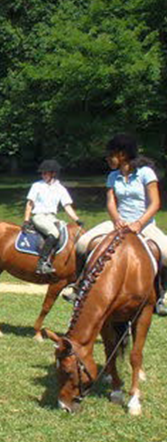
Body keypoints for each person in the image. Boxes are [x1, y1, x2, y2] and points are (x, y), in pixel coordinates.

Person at [66, 134, 167, 315]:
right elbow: (111, 202)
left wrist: (139, 223)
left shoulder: (146, 173)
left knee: (166, 252)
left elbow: (155, 203)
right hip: (118, 223)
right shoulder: (113, 176)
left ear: (122, 154)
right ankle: (78, 285)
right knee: (82, 243)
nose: (107, 159)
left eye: (110, 155)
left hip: (144, 224)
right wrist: (116, 219)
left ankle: (164, 295)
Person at [23, 159, 82, 275]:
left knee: (65, 230)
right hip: (39, 216)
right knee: (54, 233)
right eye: (42, 173)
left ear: (53, 174)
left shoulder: (60, 189)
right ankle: (42, 263)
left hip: (52, 217)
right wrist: (26, 220)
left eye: (45, 173)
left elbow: (67, 206)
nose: (43, 175)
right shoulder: (37, 186)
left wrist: (77, 219)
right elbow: (29, 204)